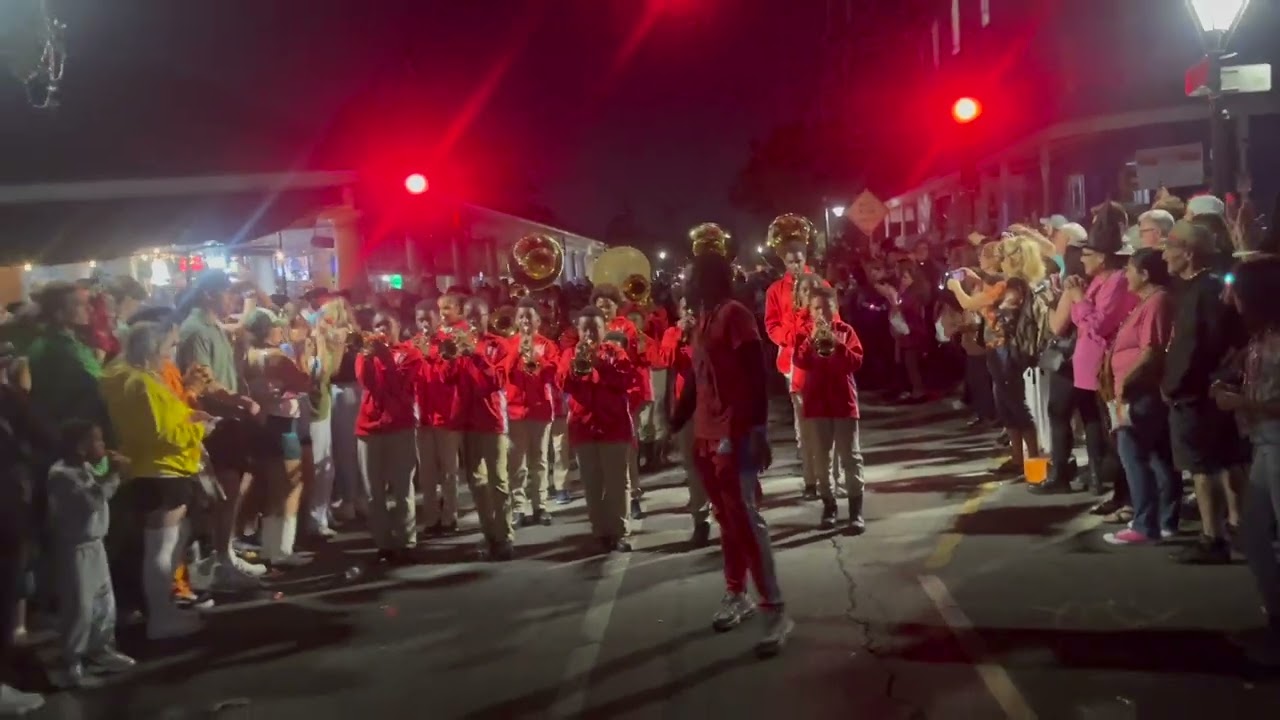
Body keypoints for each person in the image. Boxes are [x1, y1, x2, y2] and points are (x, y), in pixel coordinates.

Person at [671, 251, 793, 657]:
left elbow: (756, 374)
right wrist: (676, 420)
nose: (684, 283)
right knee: (726, 518)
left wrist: (759, 431)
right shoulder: (703, 319)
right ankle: (736, 593)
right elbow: (696, 375)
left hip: (735, 432)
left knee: (745, 518)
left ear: (707, 279)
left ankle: (775, 610)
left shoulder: (736, 314)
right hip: (706, 433)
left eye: (690, 277)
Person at [100, 321, 209, 640]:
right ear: (154, 349)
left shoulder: (121, 380)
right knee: (162, 549)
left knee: (167, 543)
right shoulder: (143, 385)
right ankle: (160, 617)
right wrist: (200, 428)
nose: (172, 354)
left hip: (154, 468)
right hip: (163, 470)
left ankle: (162, 612)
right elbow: (162, 432)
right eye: (170, 346)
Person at [1162, 220, 1249, 564]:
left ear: (1187, 252)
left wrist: (1173, 386)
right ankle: (1238, 529)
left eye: (1170, 247)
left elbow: (1194, 345)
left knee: (1203, 467)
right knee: (1227, 460)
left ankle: (1212, 537)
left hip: (1197, 393)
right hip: (1214, 388)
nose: (1165, 254)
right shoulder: (1207, 288)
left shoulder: (1202, 291)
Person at [1212, 255, 1280, 666]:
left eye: (1236, 288)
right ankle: (1275, 619)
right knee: (1254, 535)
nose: (1229, 295)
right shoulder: (1260, 338)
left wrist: (1239, 400)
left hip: (1276, 441)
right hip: (1264, 443)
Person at [46, 420, 136, 688]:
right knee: (80, 605)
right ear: (81, 446)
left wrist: (113, 472)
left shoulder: (82, 468)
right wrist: (114, 474)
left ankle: (101, 649)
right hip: (75, 548)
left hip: (95, 545)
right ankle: (73, 659)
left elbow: (99, 491)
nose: (103, 445)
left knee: (102, 602)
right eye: (97, 440)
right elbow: (93, 500)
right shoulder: (61, 474)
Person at [1101, 248, 1179, 544]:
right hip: (1137, 391)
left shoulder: (1157, 301)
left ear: (1145, 274)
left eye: (1131, 269)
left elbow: (1151, 351)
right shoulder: (1147, 302)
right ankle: (1165, 522)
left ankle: (1145, 524)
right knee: (1160, 458)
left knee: (1133, 455)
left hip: (1140, 392)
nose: (1126, 276)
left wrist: (1125, 385)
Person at [558, 306, 636, 552]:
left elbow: (625, 380)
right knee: (592, 483)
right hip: (584, 426)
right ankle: (600, 531)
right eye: (585, 329)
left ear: (605, 329)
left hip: (613, 425)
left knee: (616, 482)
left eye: (595, 328)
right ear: (578, 331)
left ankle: (620, 531)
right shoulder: (570, 353)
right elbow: (563, 383)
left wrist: (600, 363)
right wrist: (576, 364)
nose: (590, 334)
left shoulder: (616, 352)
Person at [242, 309, 317, 567]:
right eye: (277, 327)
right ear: (268, 329)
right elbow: (305, 382)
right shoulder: (277, 357)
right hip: (282, 424)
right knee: (290, 487)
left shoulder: (248, 356)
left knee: (271, 488)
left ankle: (270, 548)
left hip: (261, 424)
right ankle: (283, 549)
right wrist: (303, 355)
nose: (281, 331)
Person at [792, 285, 867, 532]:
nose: (821, 313)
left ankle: (856, 512)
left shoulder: (846, 331)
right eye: (816, 308)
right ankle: (829, 506)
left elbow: (856, 362)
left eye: (826, 308)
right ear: (810, 311)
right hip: (817, 404)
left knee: (851, 458)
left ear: (834, 309)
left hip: (843, 402)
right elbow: (799, 361)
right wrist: (812, 339)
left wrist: (837, 344)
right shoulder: (805, 334)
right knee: (821, 462)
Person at [355, 312, 423, 564]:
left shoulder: (411, 353)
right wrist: (368, 357)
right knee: (374, 492)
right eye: (376, 326)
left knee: (403, 488)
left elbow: (400, 387)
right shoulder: (366, 354)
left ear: (397, 327)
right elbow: (367, 383)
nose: (381, 329)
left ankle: (407, 541)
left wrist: (386, 359)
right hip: (369, 428)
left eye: (386, 325)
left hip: (400, 426)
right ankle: (383, 543)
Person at [457, 297, 514, 561]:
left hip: (492, 421)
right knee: (477, 483)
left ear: (486, 316)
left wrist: (476, 355)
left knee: (498, 481)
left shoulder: (498, 345)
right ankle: (489, 533)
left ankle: (505, 536)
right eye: (468, 315)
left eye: (477, 315)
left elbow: (498, 380)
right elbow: (448, 378)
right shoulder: (459, 345)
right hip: (468, 421)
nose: (472, 320)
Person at [660, 294, 711, 547]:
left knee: (715, 463)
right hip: (685, 407)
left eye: (693, 307)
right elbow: (664, 360)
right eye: (685, 308)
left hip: (710, 405)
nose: (689, 312)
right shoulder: (672, 333)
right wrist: (679, 337)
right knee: (693, 466)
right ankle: (700, 520)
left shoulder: (708, 330)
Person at [505, 298, 560, 527]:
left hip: (540, 409)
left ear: (538, 320)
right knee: (517, 463)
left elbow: (553, 372)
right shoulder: (508, 344)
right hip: (515, 409)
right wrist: (517, 353)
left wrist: (535, 358)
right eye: (522, 316)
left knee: (539, 461)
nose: (526, 320)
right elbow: (505, 374)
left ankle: (541, 506)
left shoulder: (547, 345)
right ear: (517, 321)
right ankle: (518, 507)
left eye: (530, 316)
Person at [414, 300, 462, 534]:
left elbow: (449, 375)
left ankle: (450, 515)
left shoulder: (447, 343)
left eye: (427, 319)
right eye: (420, 320)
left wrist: (429, 357)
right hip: (423, 418)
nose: (424, 324)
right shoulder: (412, 345)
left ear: (436, 320)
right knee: (427, 472)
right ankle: (431, 517)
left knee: (449, 470)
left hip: (446, 416)